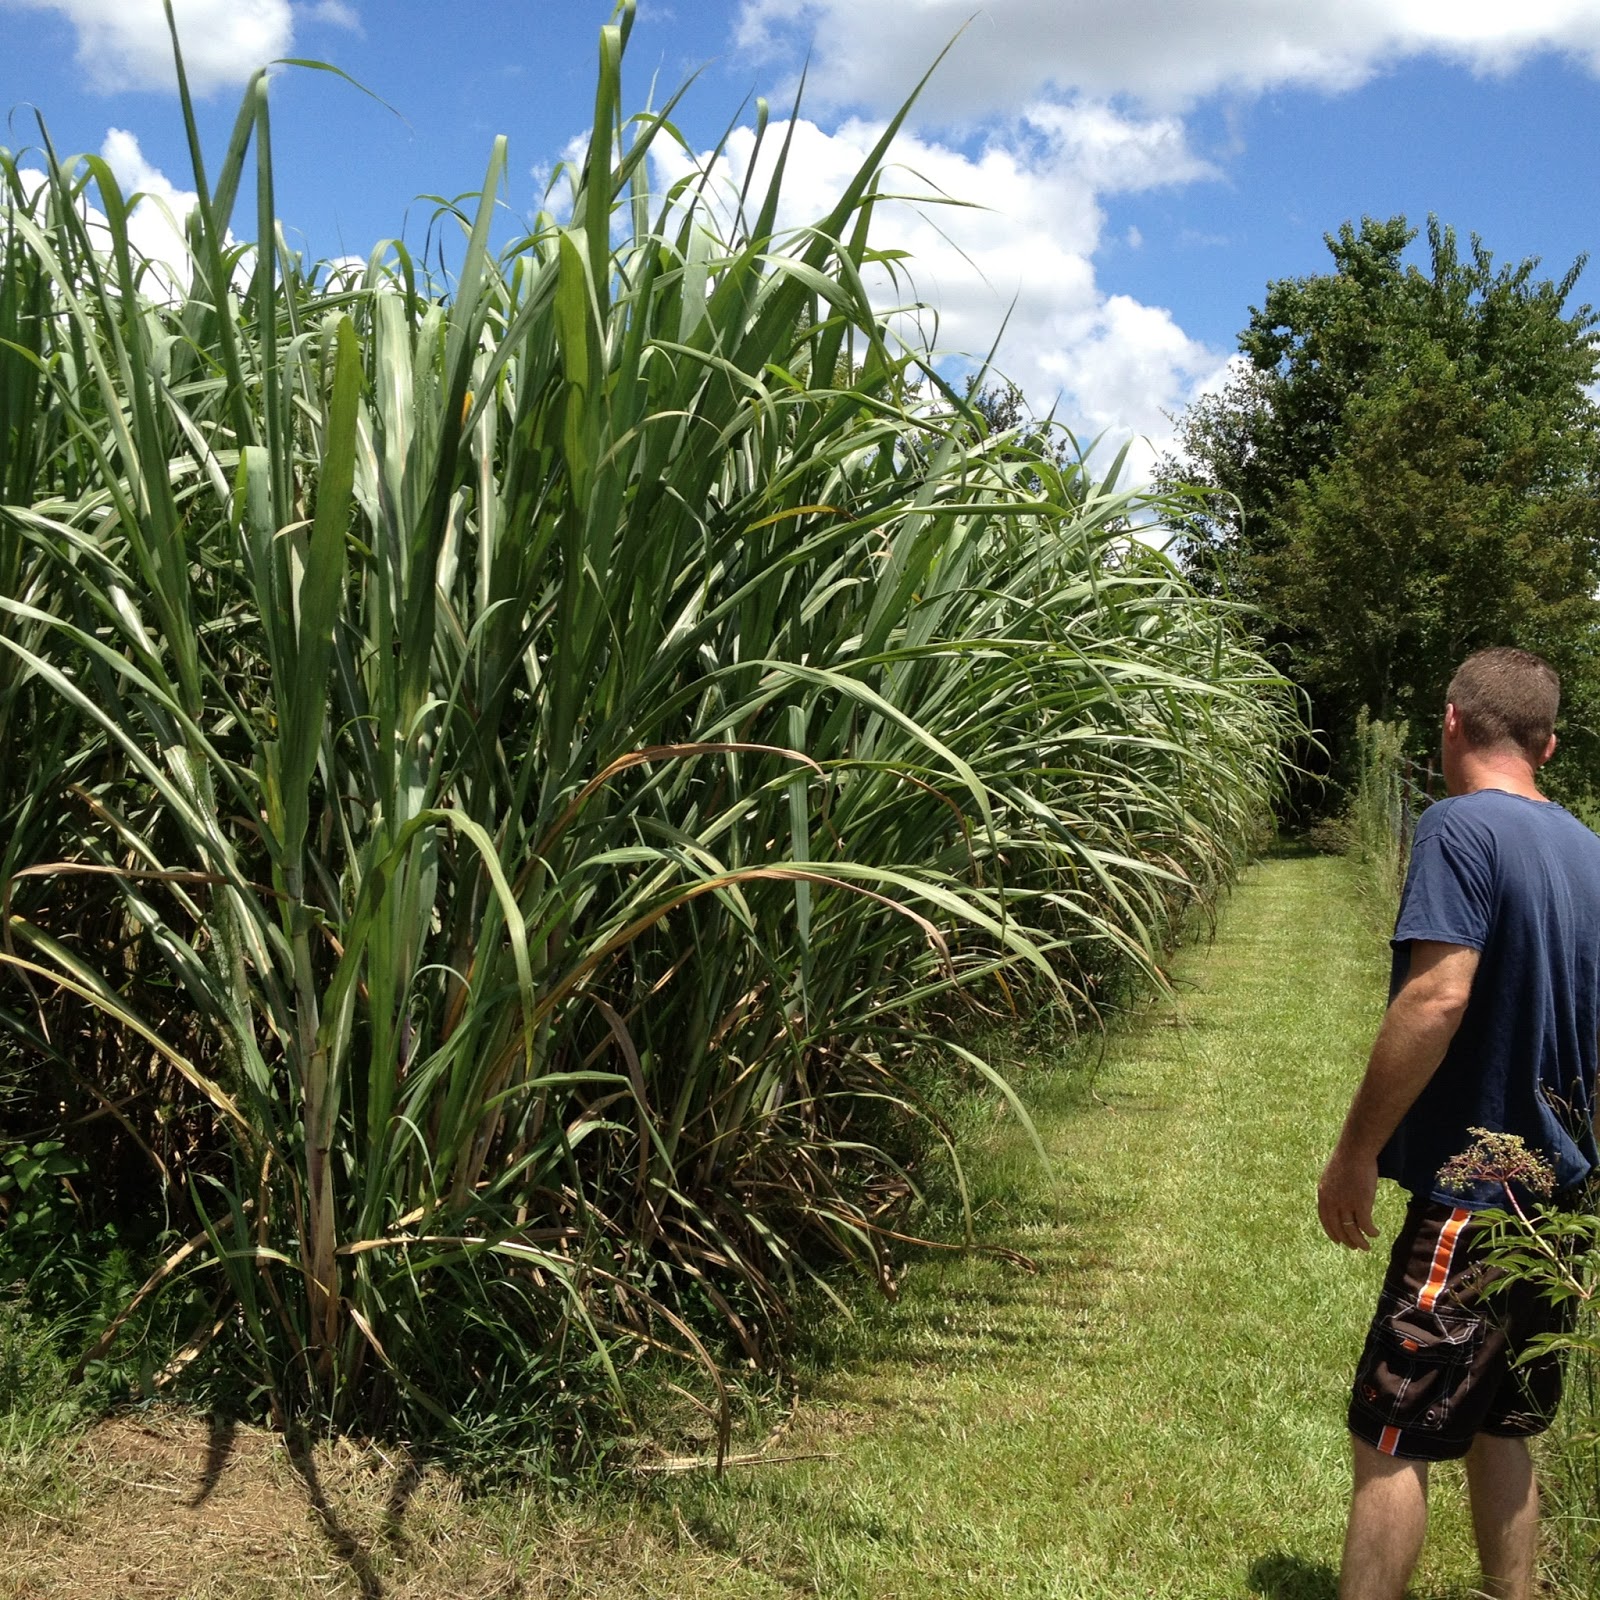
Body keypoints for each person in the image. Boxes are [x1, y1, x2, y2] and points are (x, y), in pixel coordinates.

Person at [1317, 647, 1600, 1600]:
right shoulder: (1588, 849)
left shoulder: (1456, 826)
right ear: (1548, 745)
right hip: (1564, 1193)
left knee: (1390, 1432)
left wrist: (1356, 1153)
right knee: (1502, 1420)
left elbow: (1437, 997)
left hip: (1475, 1190)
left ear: (1449, 723)